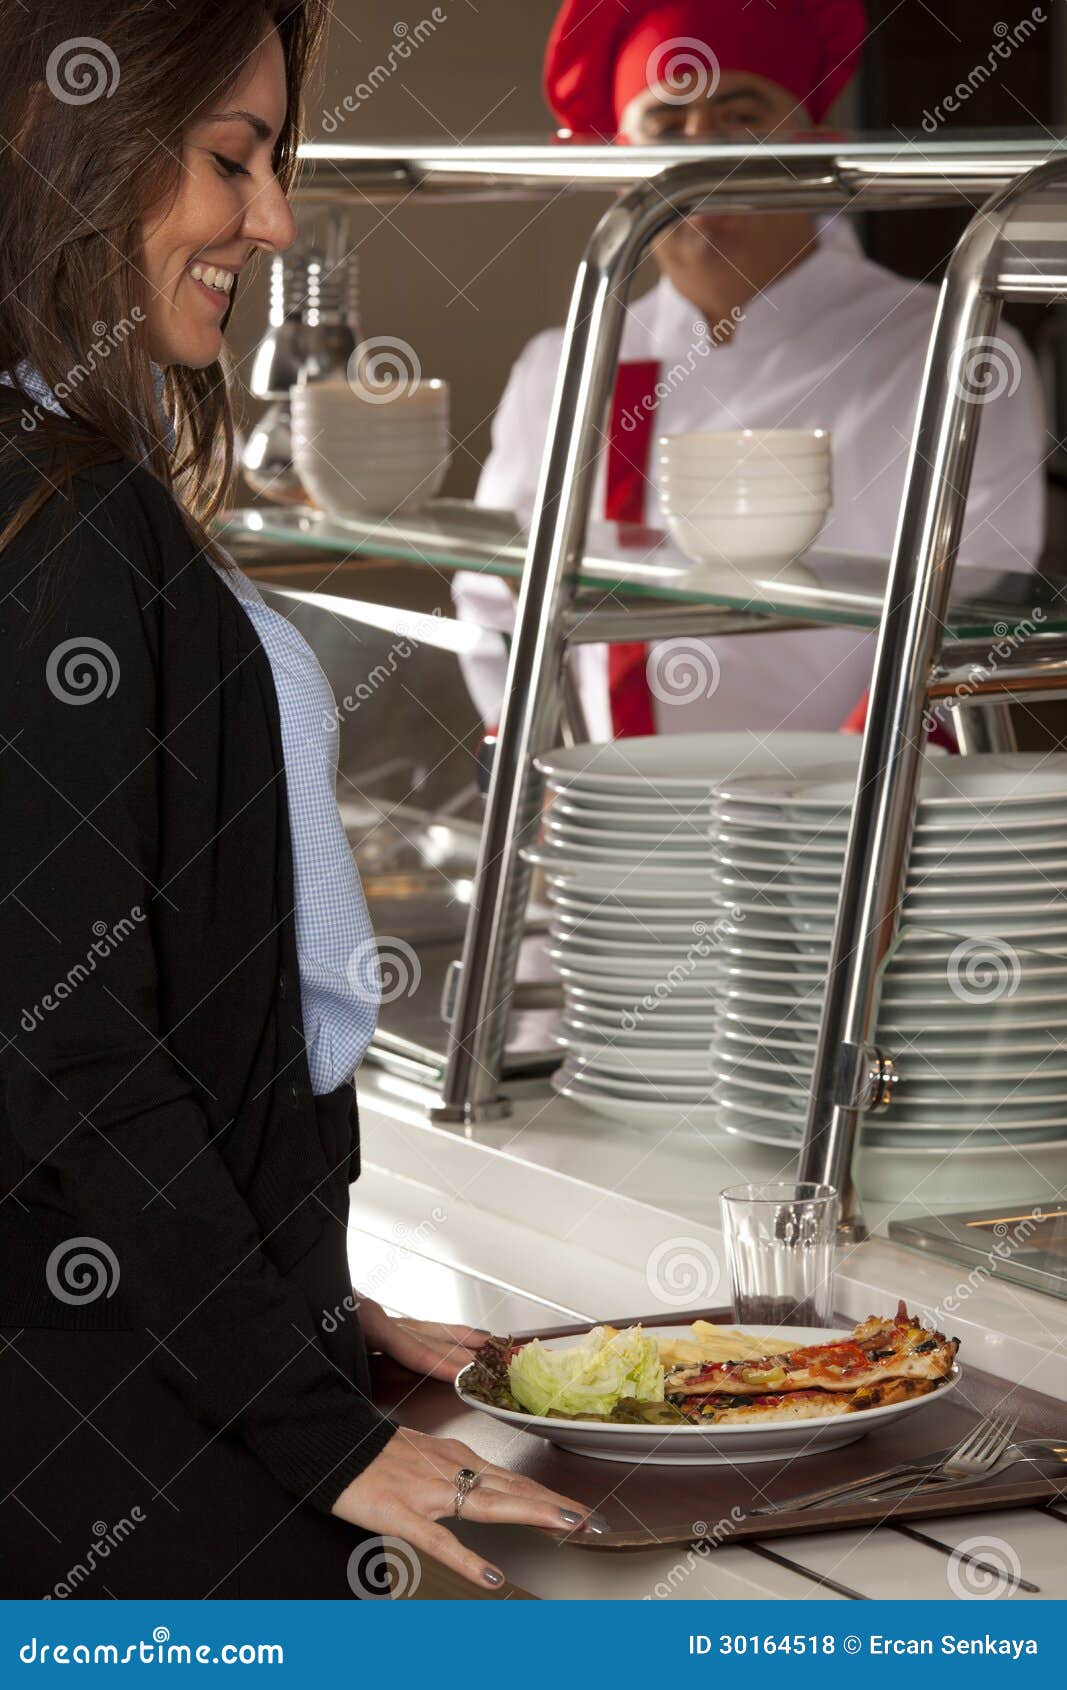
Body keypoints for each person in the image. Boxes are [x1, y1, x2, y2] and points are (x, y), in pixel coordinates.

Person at [0, 1, 605, 1599]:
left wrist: (308, 1318)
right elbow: (68, 1044)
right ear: (59, 138)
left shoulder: (59, 470)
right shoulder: (61, 520)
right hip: (106, 1430)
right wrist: (305, 1416)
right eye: (228, 161)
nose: (270, 219)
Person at [452, 0, 1046, 743]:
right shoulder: (560, 366)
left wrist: (838, 810)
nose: (709, 158)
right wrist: (549, 785)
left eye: (742, 118)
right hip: (604, 820)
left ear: (815, 144)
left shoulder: (950, 347)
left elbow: (964, 630)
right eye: (667, 127)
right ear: (618, 169)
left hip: (854, 827)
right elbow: (493, 607)